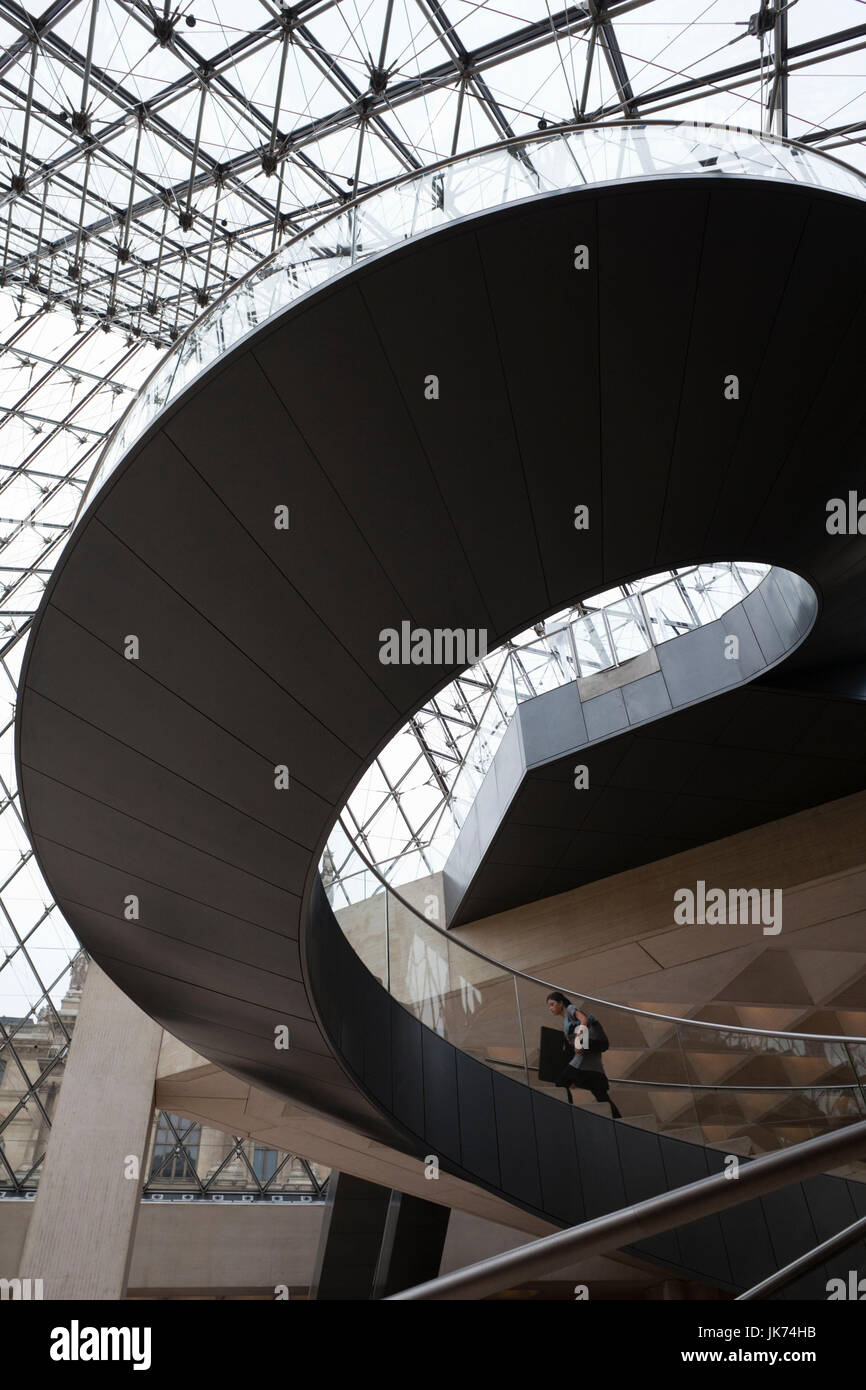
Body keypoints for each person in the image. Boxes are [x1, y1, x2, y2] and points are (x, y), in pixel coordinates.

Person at [546, 991, 621, 1119]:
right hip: (593, 1067)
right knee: (602, 1097)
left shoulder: (570, 1009)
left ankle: (569, 1114)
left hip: (582, 1063)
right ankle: (620, 1121)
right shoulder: (565, 1021)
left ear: (561, 1003)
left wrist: (578, 1040)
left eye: (552, 1004)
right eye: (549, 1006)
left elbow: (584, 1019)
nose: (550, 1008)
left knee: (561, 1082)